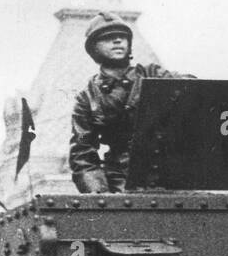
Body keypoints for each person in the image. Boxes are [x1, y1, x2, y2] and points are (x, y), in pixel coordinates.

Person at [69, 12, 193, 193]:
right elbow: (82, 150)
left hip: (169, 173)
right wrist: (100, 196)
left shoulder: (152, 74)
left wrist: (184, 84)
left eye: (122, 37)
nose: (118, 41)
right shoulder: (87, 98)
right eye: (108, 38)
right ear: (94, 48)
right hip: (121, 179)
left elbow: (185, 86)